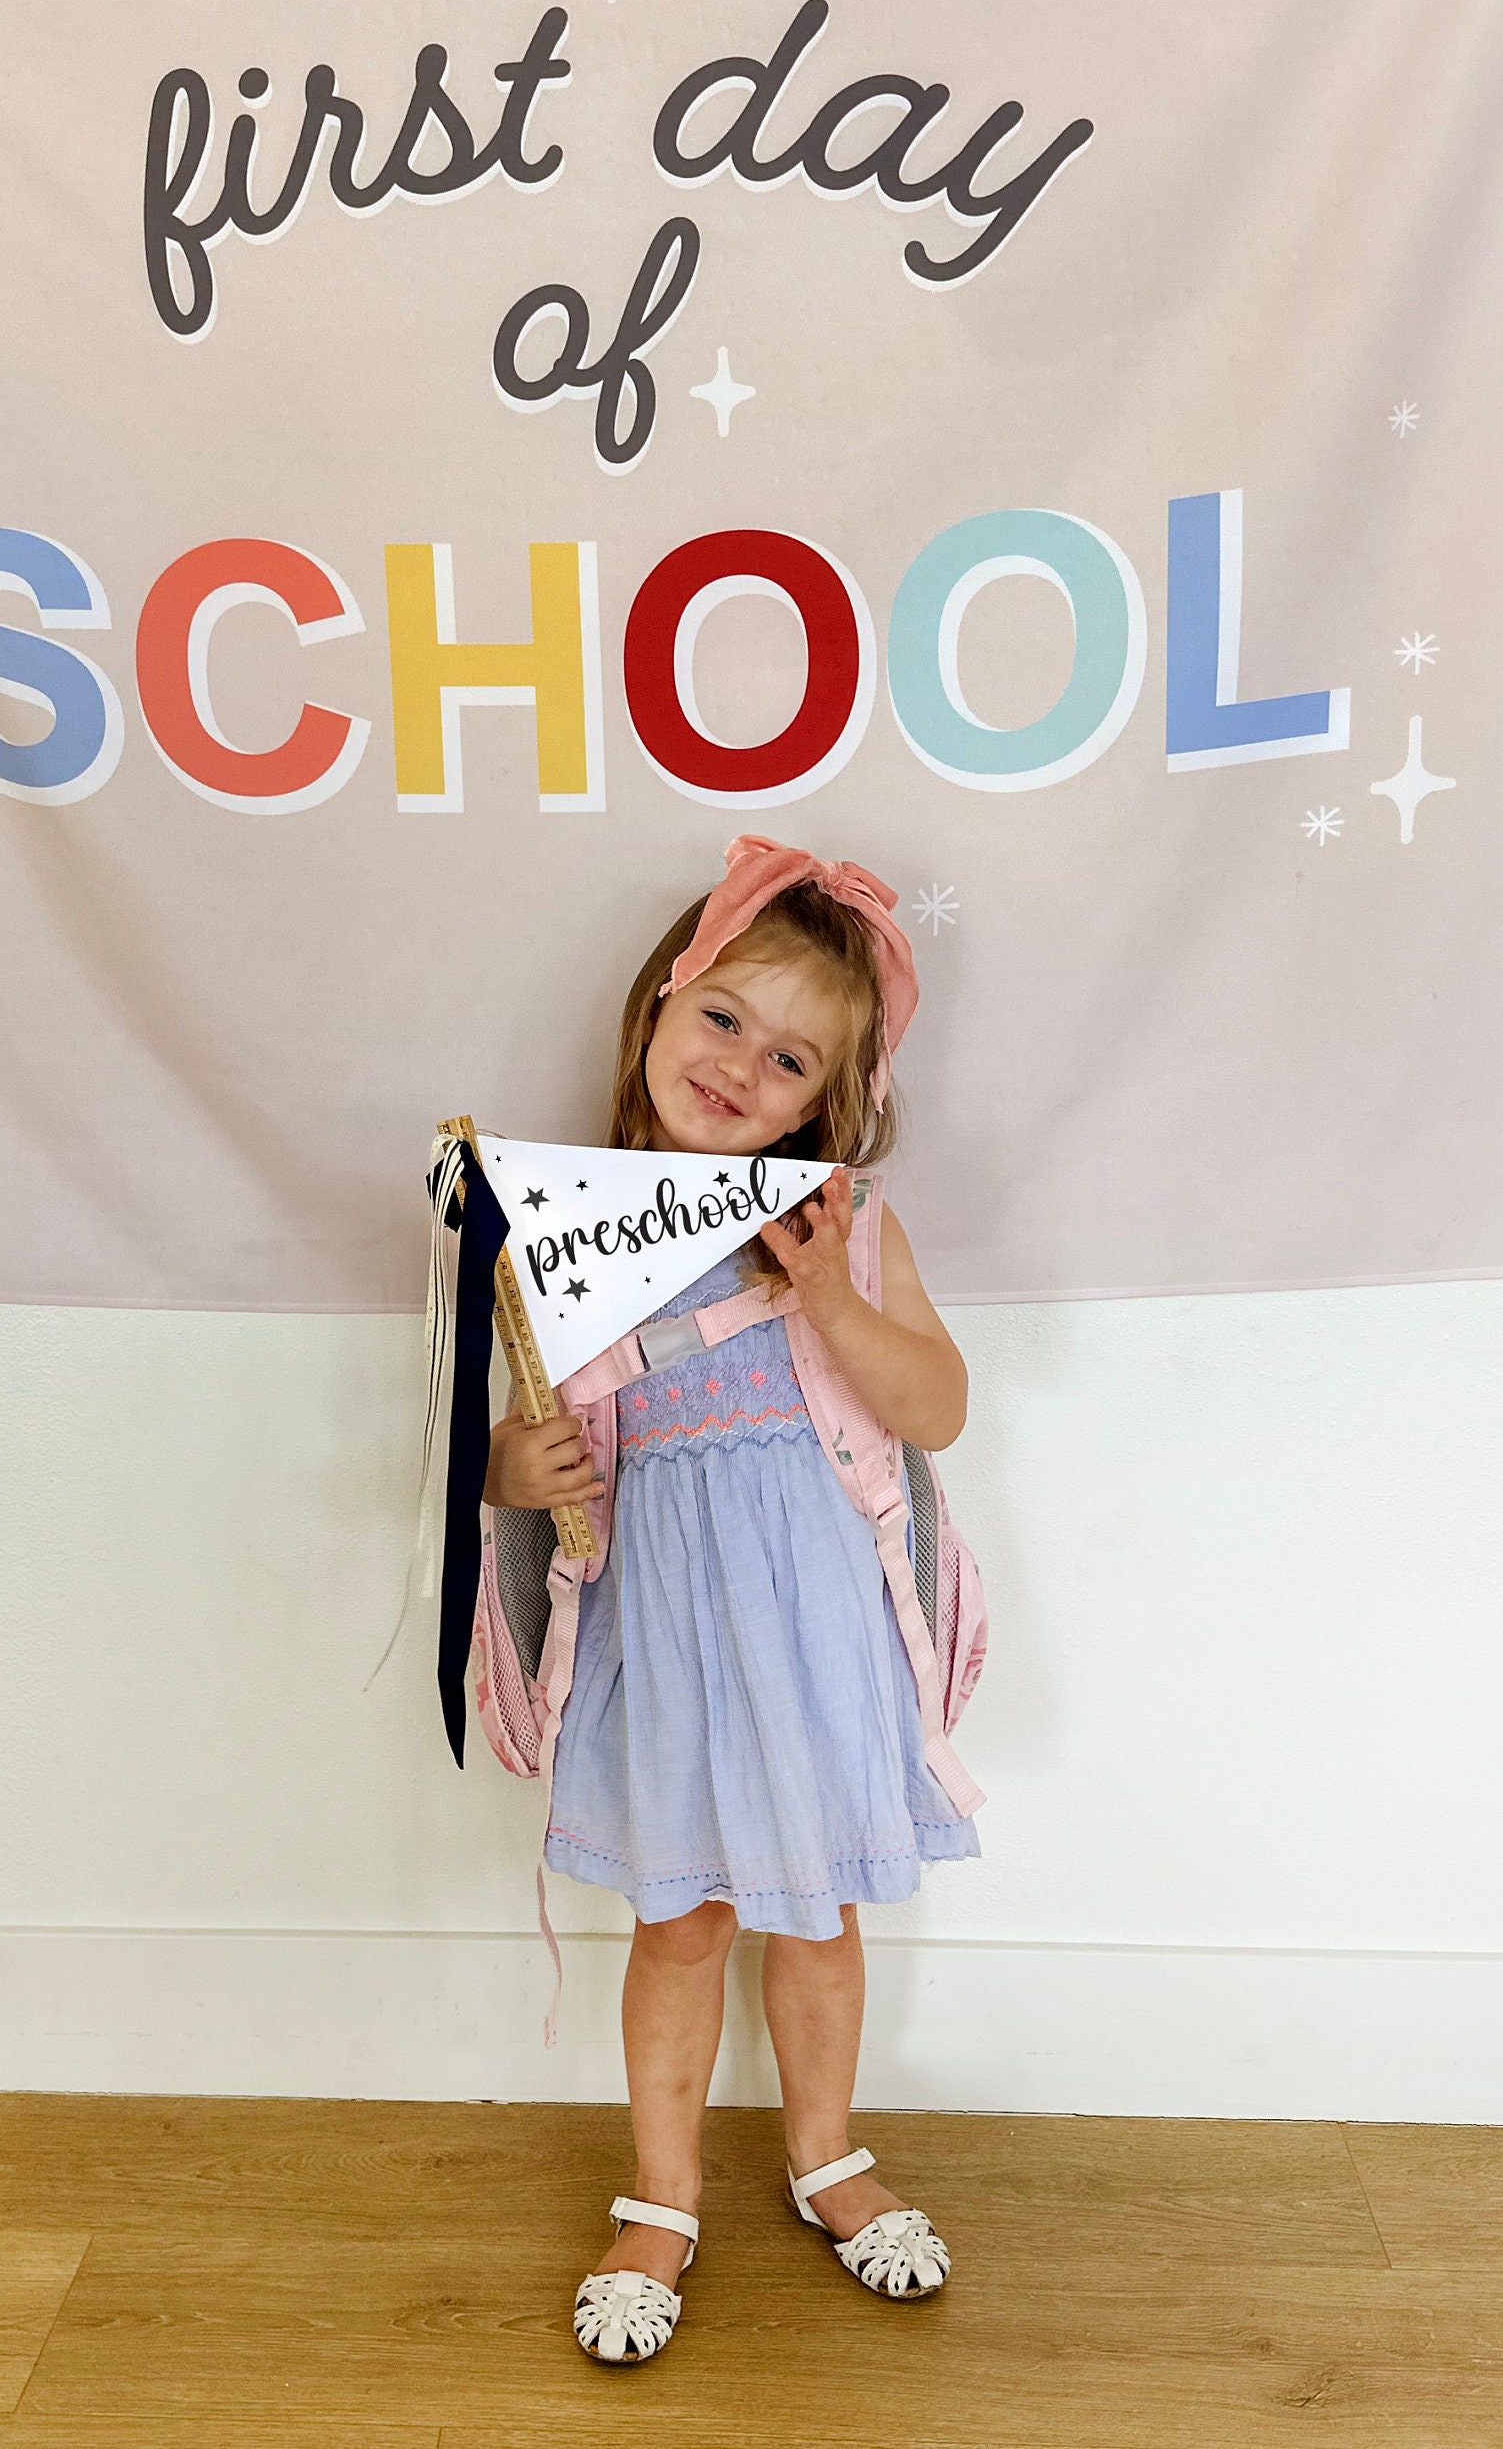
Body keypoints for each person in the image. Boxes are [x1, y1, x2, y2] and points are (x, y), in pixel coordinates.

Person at [484, 837, 979, 2365]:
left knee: (820, 1916)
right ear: (657, 1007)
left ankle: (827, 2154)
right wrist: (510, 1466)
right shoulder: (560, 1246)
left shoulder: (846, 1234)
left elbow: (938, 1406)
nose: (741, 1067)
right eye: (721, 1021)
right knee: (681, 1923)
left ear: (823, 1104)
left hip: (817, 1645)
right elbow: (517, 1475)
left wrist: (832, 1295)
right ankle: (664, 2193)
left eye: (788, 1059)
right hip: (668, 1642)